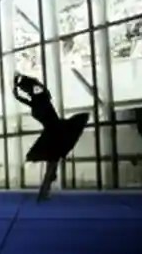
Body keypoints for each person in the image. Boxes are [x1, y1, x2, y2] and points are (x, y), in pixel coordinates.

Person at [12, 73, 89, 201]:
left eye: (25, 89)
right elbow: (21, 96)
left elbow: (35, 90)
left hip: (55, 131)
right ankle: (45, 189)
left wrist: (19, 82)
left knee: (52, 163)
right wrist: (18, 82)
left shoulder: (40, 99)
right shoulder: (37, 101)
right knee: (52, 163)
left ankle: (45, 190)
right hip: (53, 131)